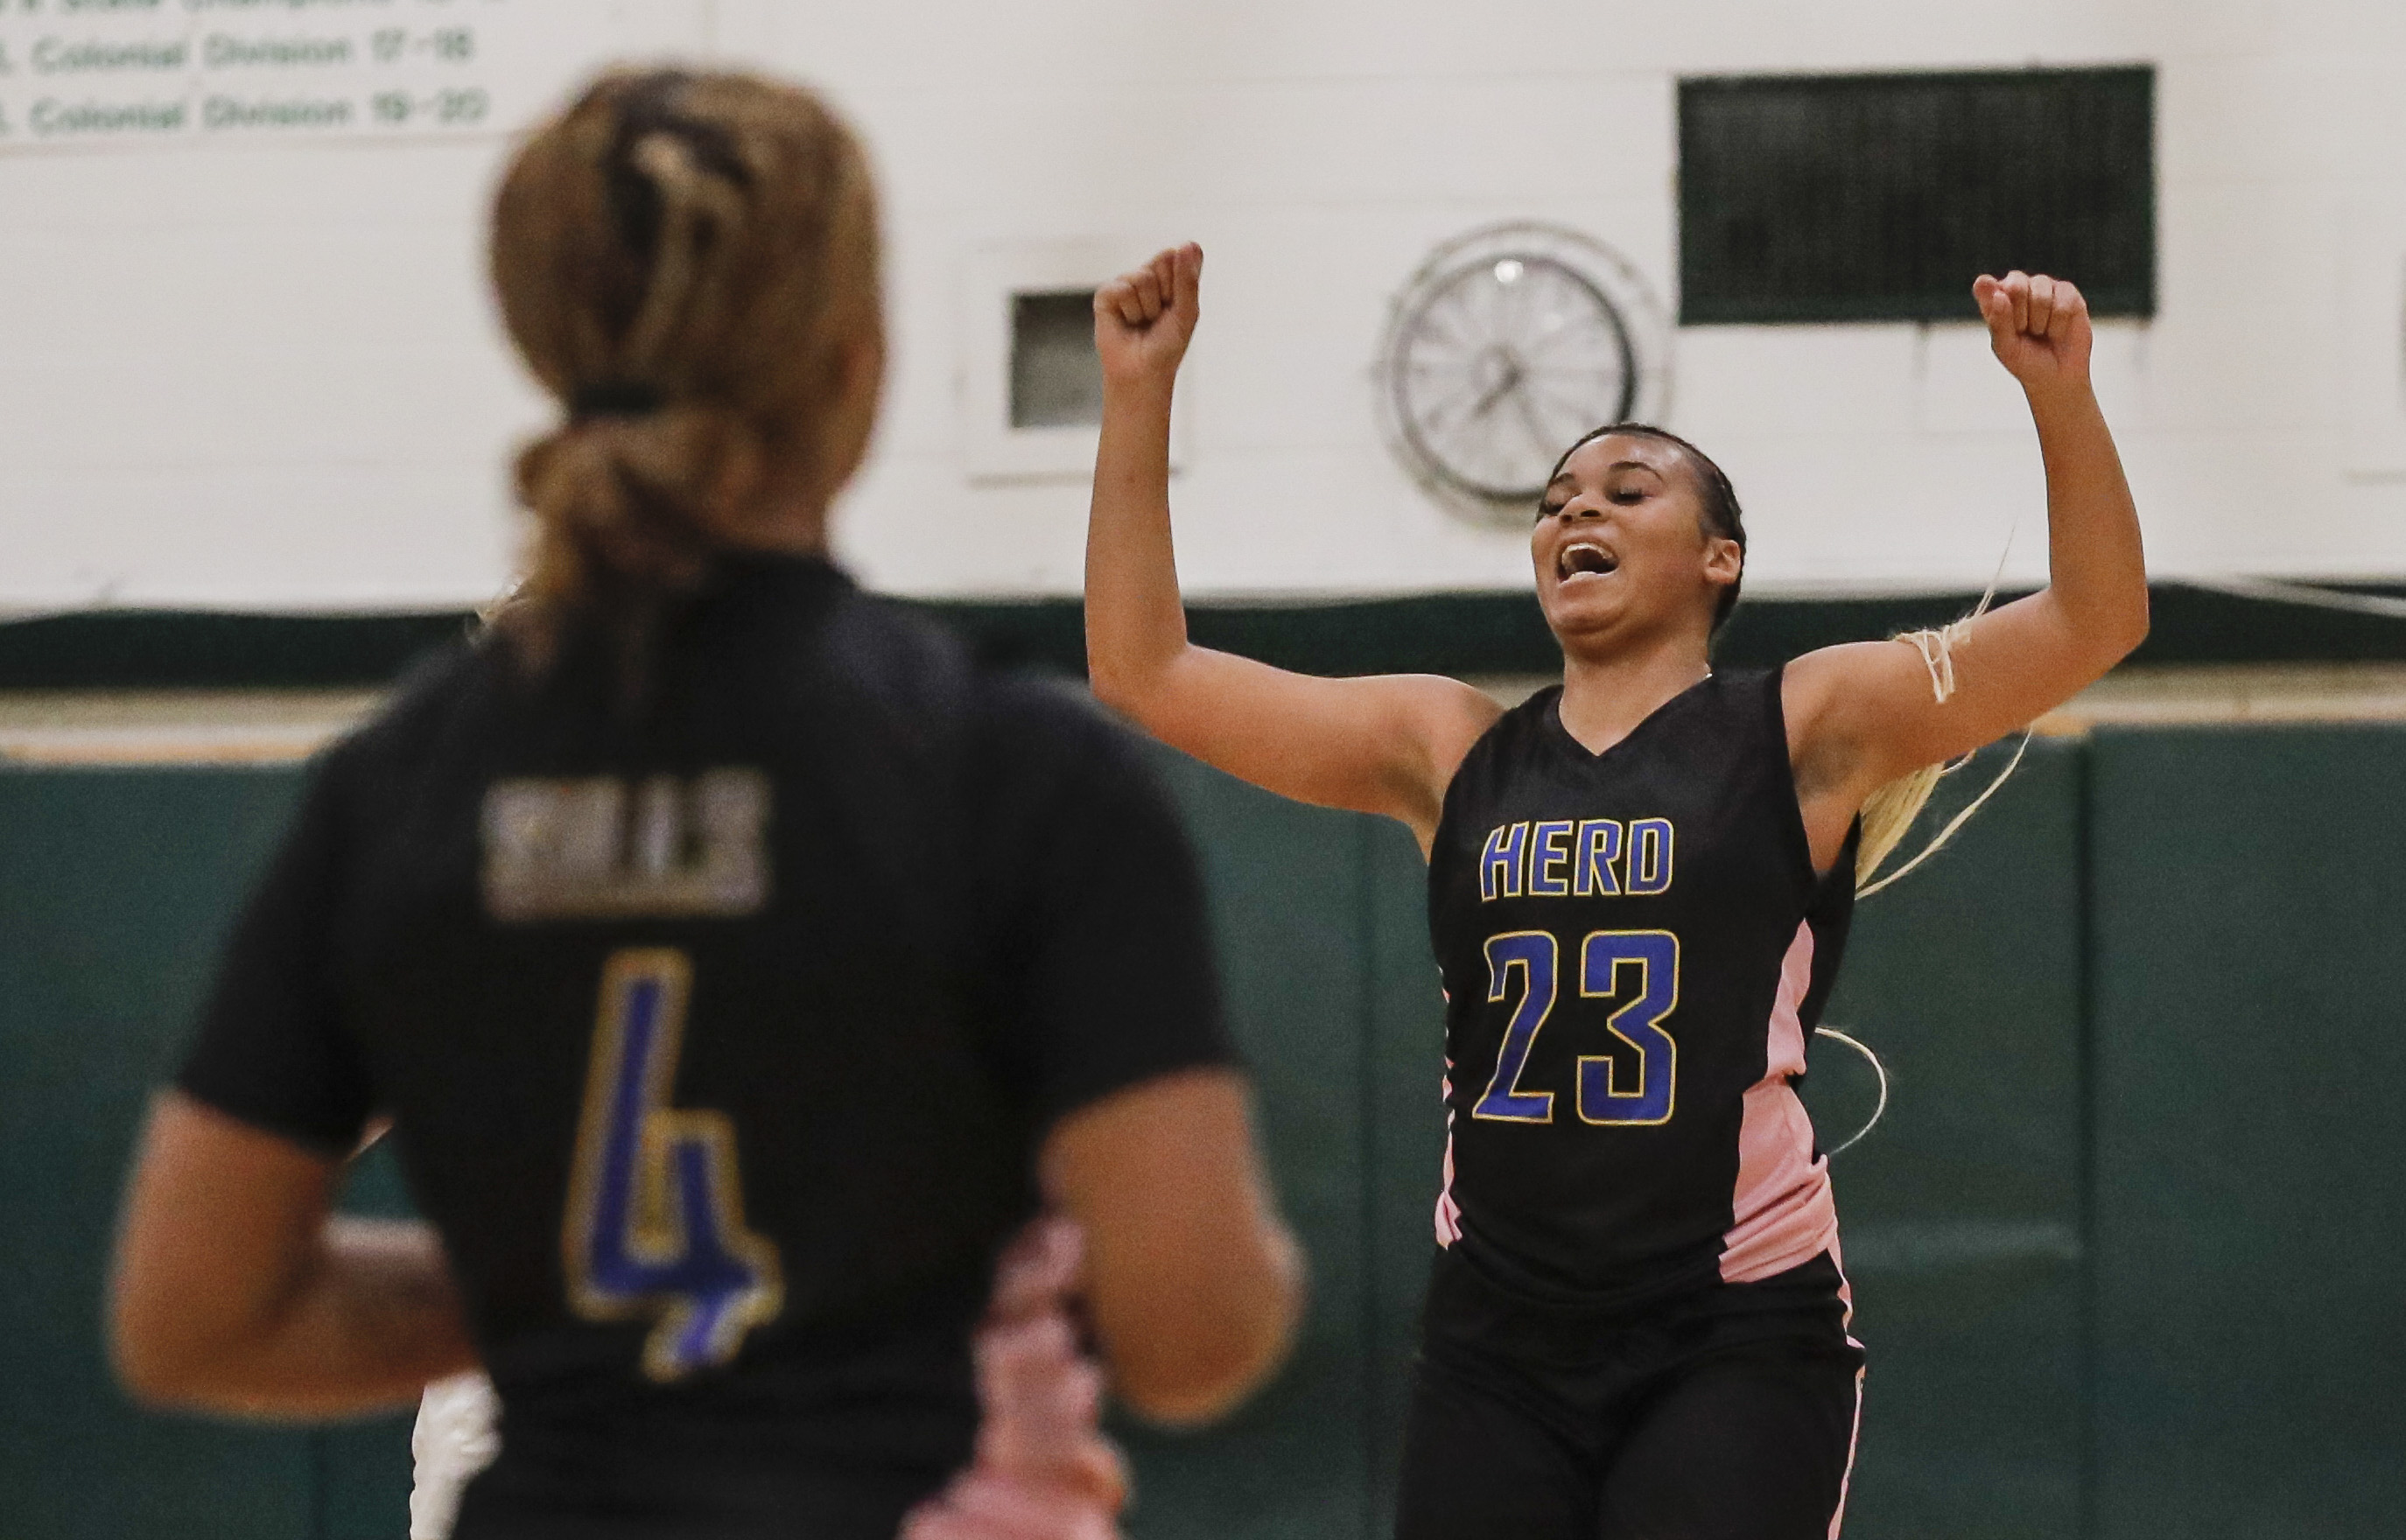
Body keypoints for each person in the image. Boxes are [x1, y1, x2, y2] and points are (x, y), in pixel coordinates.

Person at [109, 69, 1302, 1540]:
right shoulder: (1014, 773)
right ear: (859, 367)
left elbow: (194, 1315)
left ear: (549, 350)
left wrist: (587, 1287)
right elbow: (1198, 1333)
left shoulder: (399, 785)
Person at [1083, 244, 2146, 1538]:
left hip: (1731, 1330)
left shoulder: (1801, 724)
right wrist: (1137, 394)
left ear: (1718, 560)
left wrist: (2060, 395)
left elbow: (2095, 617)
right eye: (1552, 499)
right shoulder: (1449, 747)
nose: (1573, 512)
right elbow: (1143, 671)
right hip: (1498, 1340)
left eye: (1625, 490)